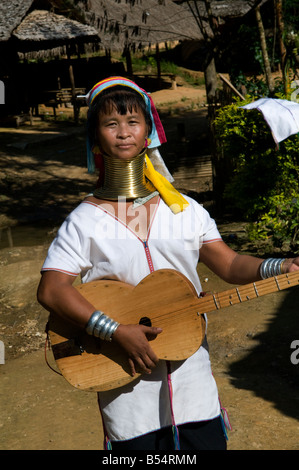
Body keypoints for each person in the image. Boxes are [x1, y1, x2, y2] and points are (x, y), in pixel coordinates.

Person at [37, 76, 299, 451]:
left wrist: (281, 266)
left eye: (133, 122)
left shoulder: (185, 210)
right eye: (111, 124)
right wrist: (114, 331)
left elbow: (229, 263)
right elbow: (52, 288)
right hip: (128, 396)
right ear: (95, 138)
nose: (123, 133)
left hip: (196, 393)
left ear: (149, 132)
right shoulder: (84, 220)